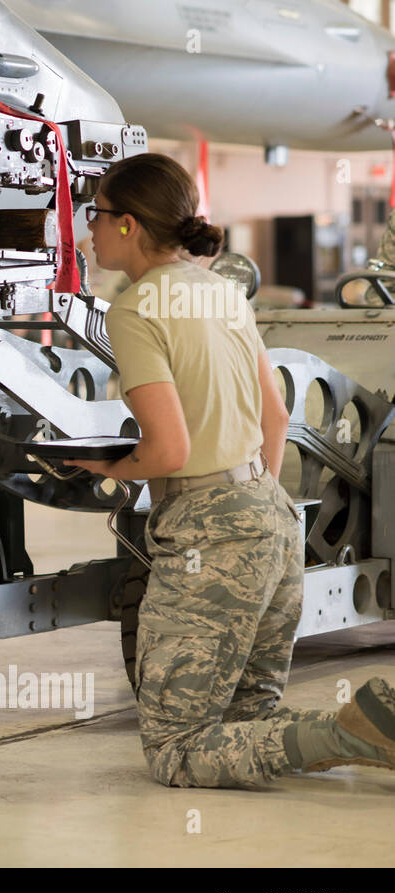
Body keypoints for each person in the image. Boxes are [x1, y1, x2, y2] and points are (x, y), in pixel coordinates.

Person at [66, 152, 395, 787]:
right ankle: (369, 730)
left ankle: (346, 730)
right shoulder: (222, 292)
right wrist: (257, 505)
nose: (90, 230)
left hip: (209, 536)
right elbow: (276, 418)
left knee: (177, 749)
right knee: (248, 718)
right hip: (273, 520)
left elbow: (168, 452)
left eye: (98, 215)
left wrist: (103, 462)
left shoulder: (134, 310)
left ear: (129, 224)